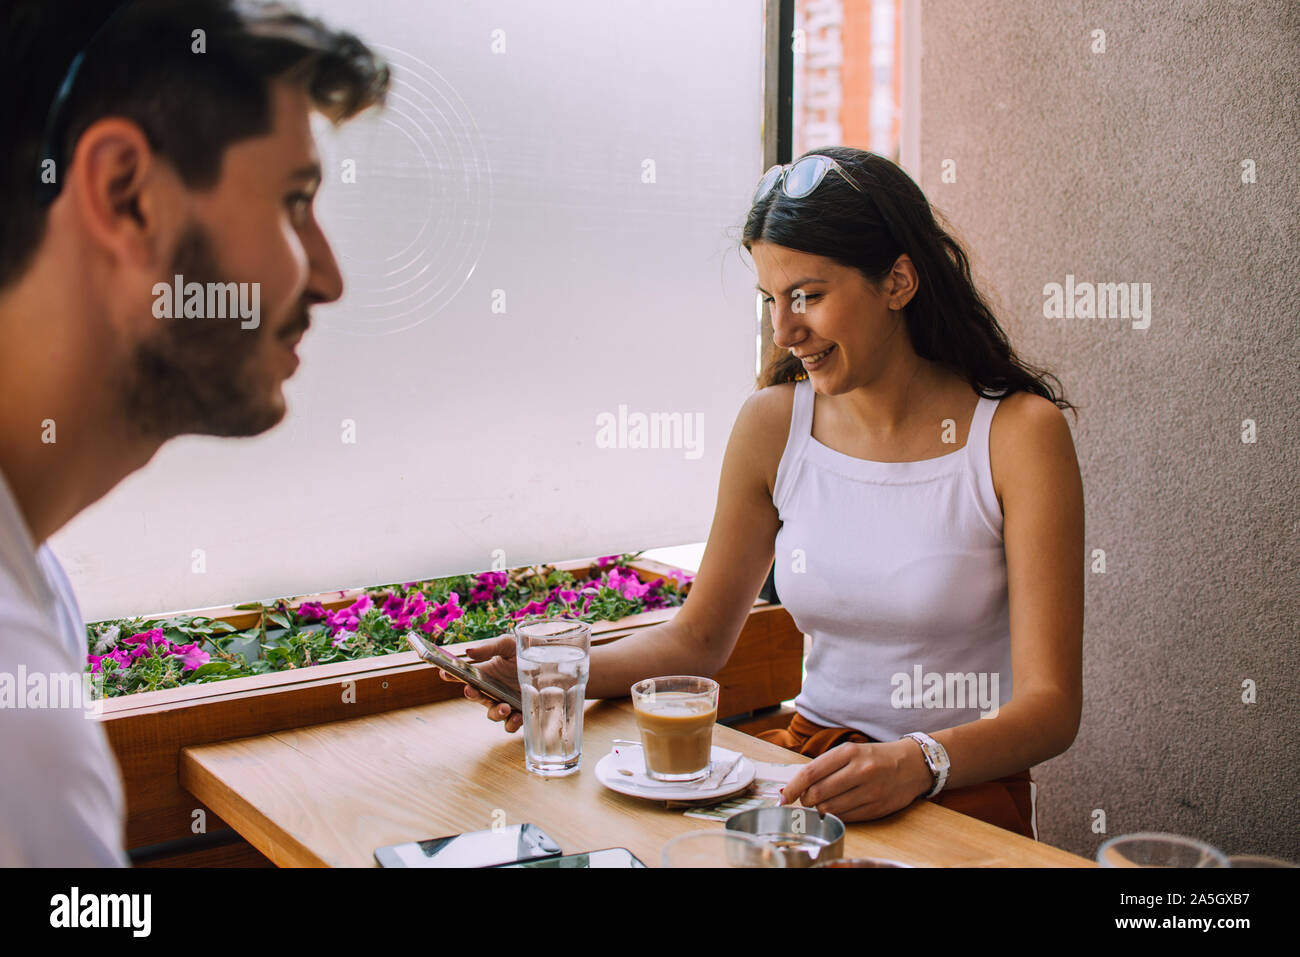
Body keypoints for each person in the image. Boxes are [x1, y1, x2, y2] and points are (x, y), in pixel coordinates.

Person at [447, 147, 1084, 841]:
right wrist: (556, 670)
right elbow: (698, 636)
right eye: (771, 301)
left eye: (808, 295)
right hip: (807, 776)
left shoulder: (1018, 434)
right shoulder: (774, 425)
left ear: (898, 280)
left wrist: (916, 760)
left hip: (957, 787)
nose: (785, 330)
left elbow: (1052, 707)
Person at [0, 0, 388, 865]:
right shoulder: (12, 715)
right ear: (123, 193)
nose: (327, 277)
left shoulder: (37, 588)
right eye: (294, 202)